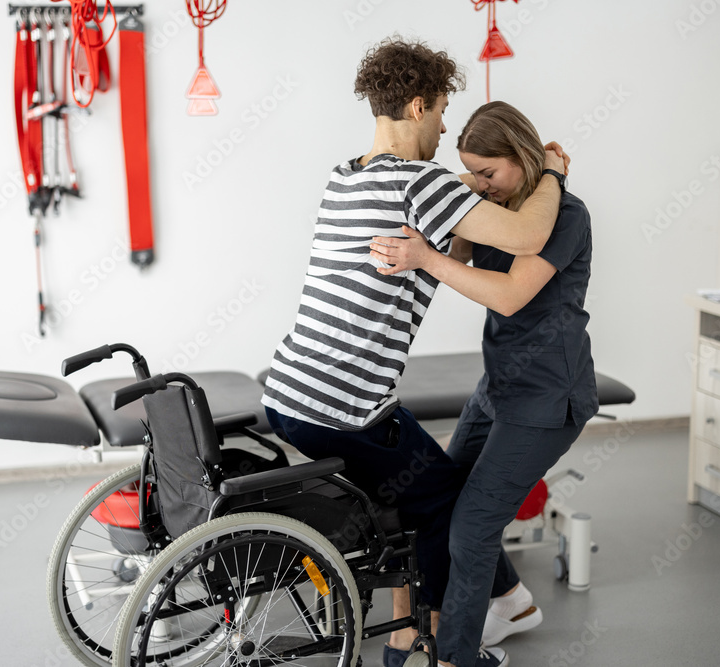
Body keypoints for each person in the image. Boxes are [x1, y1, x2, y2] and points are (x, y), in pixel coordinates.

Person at [260, 37, 565, 666]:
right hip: (344, 407)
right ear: (421, 106)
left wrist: (462, 195)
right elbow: (529, 233)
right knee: (447, 504)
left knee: (430, 478)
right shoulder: (420, 185)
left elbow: (440, 230)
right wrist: (555, 172)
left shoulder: (346, 176)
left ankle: (505, 603)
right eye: (445, 109)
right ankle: (422, 648)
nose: (449, 124)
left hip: (292, 392)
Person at [369, 100, 597, 667]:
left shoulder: (565, 217)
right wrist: (464, 191)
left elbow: (510, 294)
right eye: (476, 173)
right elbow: (465, 254)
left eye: (490, 173)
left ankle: (454, 657)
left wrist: (423, 257)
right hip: (498, 386)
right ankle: (512, 603)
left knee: (471, 529)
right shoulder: (501, 211)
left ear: (523, 158)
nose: (485, 185)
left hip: (548, 398)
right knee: (445, 498)